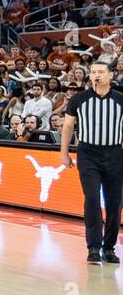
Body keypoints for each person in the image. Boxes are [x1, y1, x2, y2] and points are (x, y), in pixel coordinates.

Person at [60, 60, 123, 265]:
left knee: (114, 203)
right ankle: (94, 247)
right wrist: (64, 153)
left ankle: (110, 247)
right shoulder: (79, 99)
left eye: (101, 72)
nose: (96, 75)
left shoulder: (121, 99)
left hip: (115, 153)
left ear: (110, 76)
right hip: (88, 153)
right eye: (93, 72)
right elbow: (68, 126)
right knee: (93, 199)